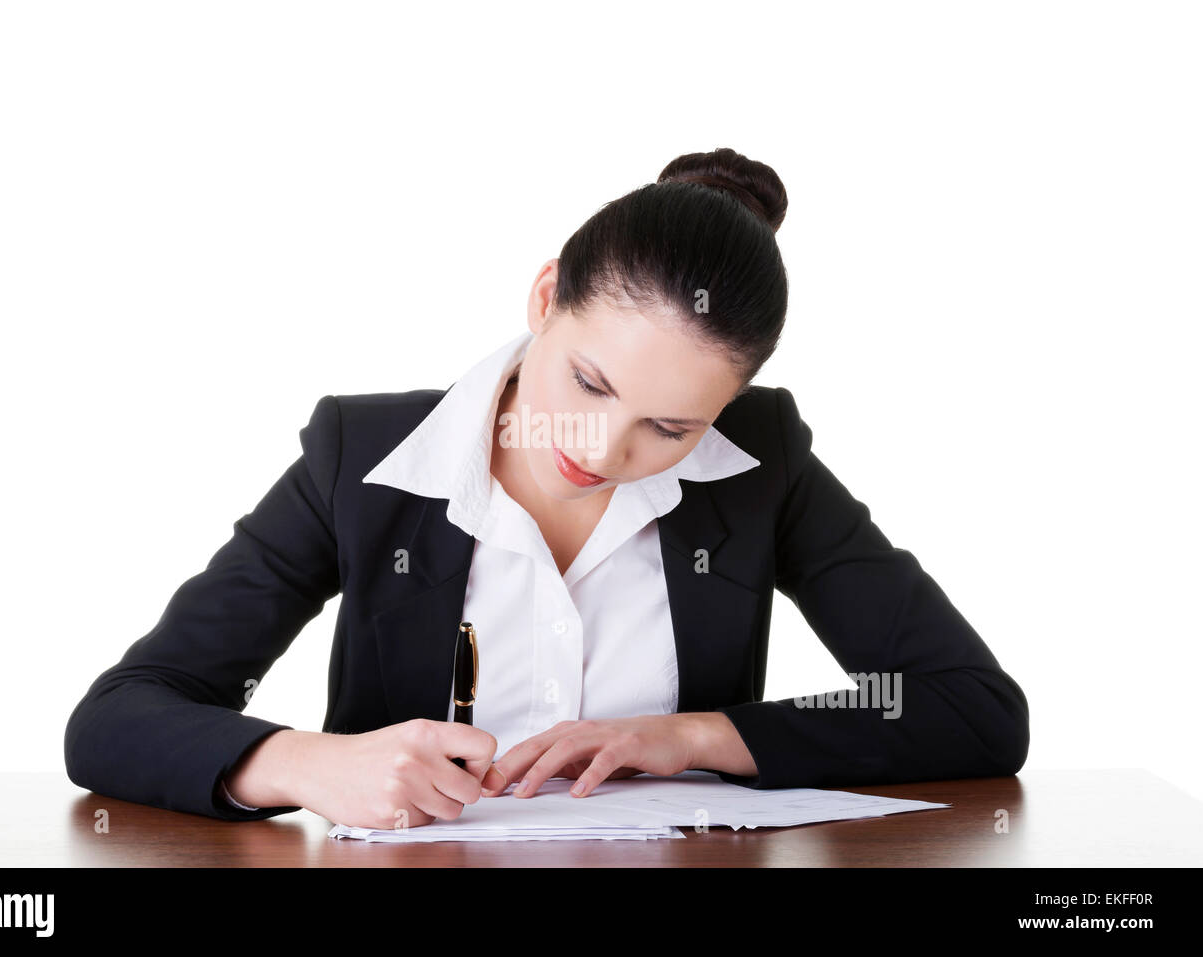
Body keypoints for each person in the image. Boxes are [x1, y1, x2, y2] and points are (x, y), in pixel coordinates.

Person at [64, 148, 1029, 830]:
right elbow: (118, 716)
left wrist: (694, 735)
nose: (603, 448)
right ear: (543, 297)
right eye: (591, 382)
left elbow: (970, 705)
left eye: (671, 426)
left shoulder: (760, 464)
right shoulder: (362, 454)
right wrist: (310, 763)